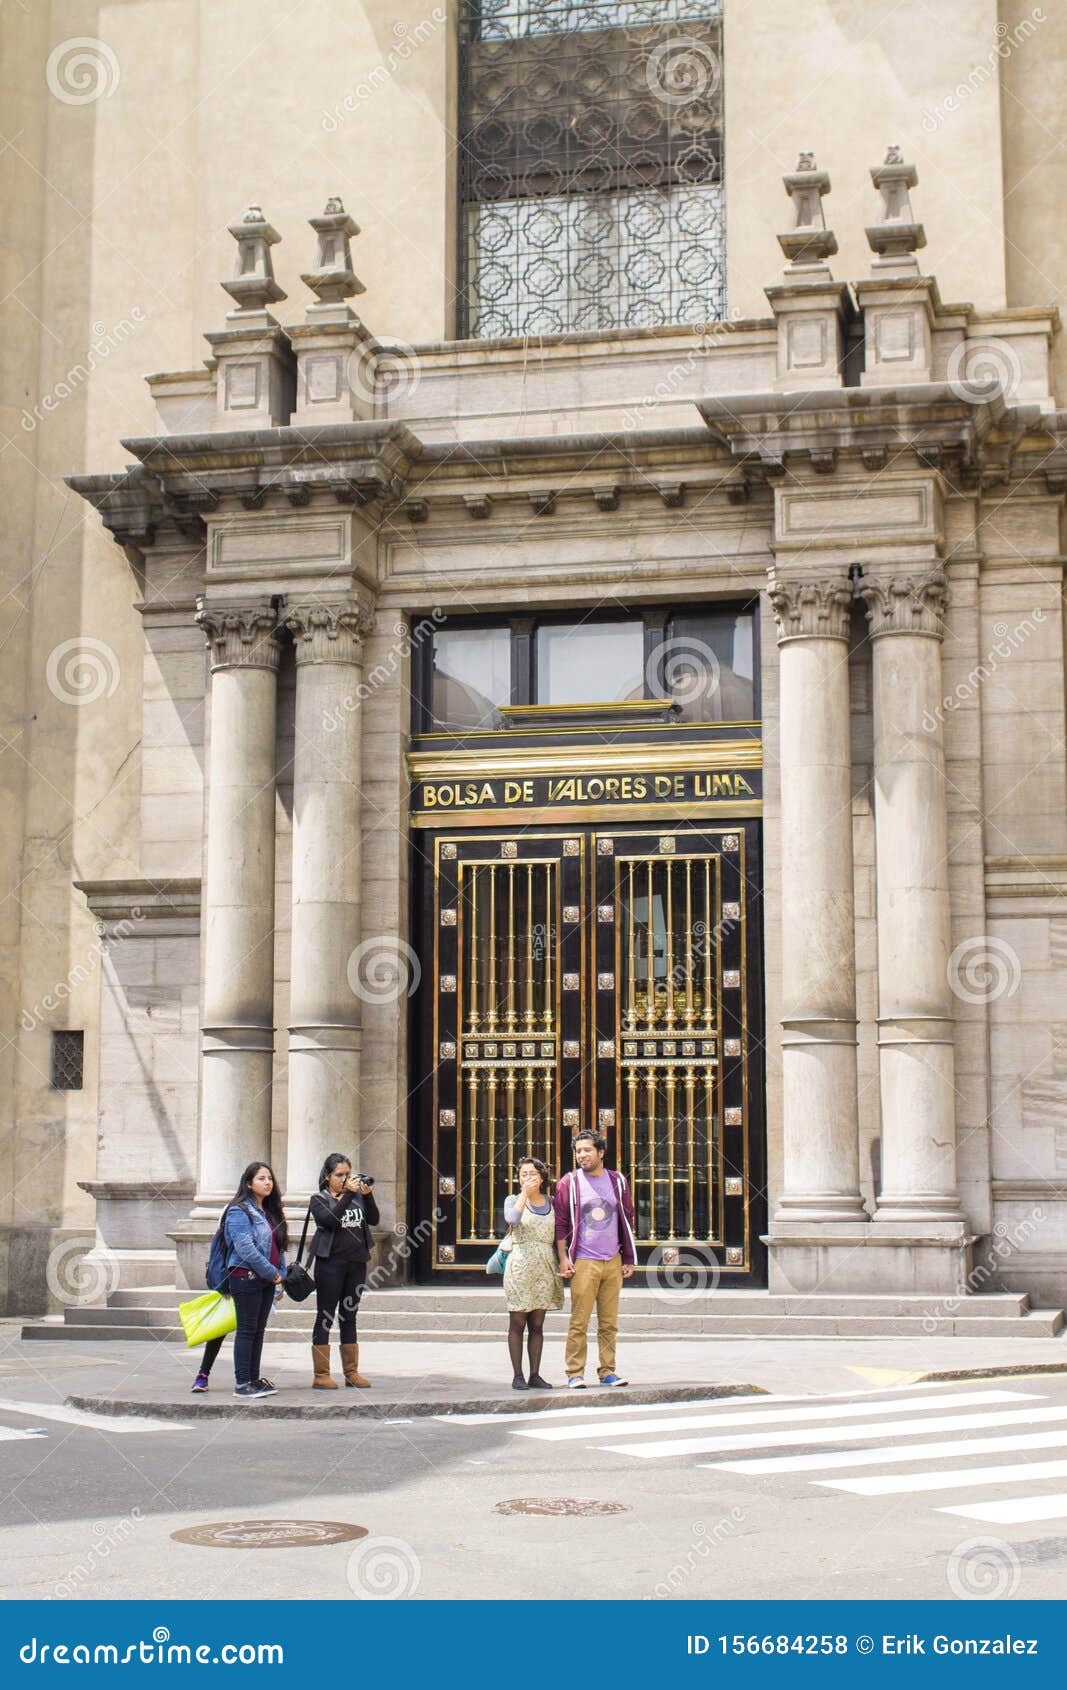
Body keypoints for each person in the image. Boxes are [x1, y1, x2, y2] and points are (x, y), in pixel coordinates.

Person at [554, 1128, 636, 1389]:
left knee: (609, 1322)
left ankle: (608, 1370)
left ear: (601, 1152)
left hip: (612, 1259)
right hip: (584, 1261)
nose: (582, 1155)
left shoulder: (617, 1181)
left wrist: (628, 1257)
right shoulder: (569, 1182)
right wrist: (563, 1258)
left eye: (587, 1150)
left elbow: (627, 1217)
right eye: (578, 1151)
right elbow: (561, 1223)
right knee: (579, 1321)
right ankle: (574, 1372)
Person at [309, 1152, 379, 1389]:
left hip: (356, 1263)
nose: (345, 1179)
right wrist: (348, 1194)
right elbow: (330, 1220)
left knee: (349, 1316)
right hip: (330, 1264)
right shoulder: (318, 1200)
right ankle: (321, 1374)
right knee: (326, 1316)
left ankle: (351, 1372)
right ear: (327, 1176)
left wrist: (367, 1196)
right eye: (339, 1175)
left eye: (348, 1174)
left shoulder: (356, 1196)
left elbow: (375, 1219)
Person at [223, 1162, 289, 1400]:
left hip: (266, 1279)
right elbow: (245, 1249)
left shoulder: (270, 1212)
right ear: (249, 1183)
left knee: (258, 1331)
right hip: (245, 1277)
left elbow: (278, 1247)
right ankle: (242, 1382)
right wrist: (273, 1273)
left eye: (269, 1178)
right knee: (247, 1330)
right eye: (261, 1178)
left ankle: (253, 1378)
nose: (268, 1182)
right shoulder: (239, 1211)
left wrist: (280, 1276)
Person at [502, 1155, 563, 1390]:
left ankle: (535, 1374)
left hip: (544, 1265)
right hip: (520, 1265)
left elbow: (560, 1232)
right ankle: (518, 1375)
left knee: (537, 1324)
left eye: (532, 1174)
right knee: (517, 1321)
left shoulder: (552, 1201)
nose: (528, 1178)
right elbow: (512, 1219)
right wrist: (524, 1196)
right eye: (523, 1174)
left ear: (542, 1177)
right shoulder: (513, 1200)